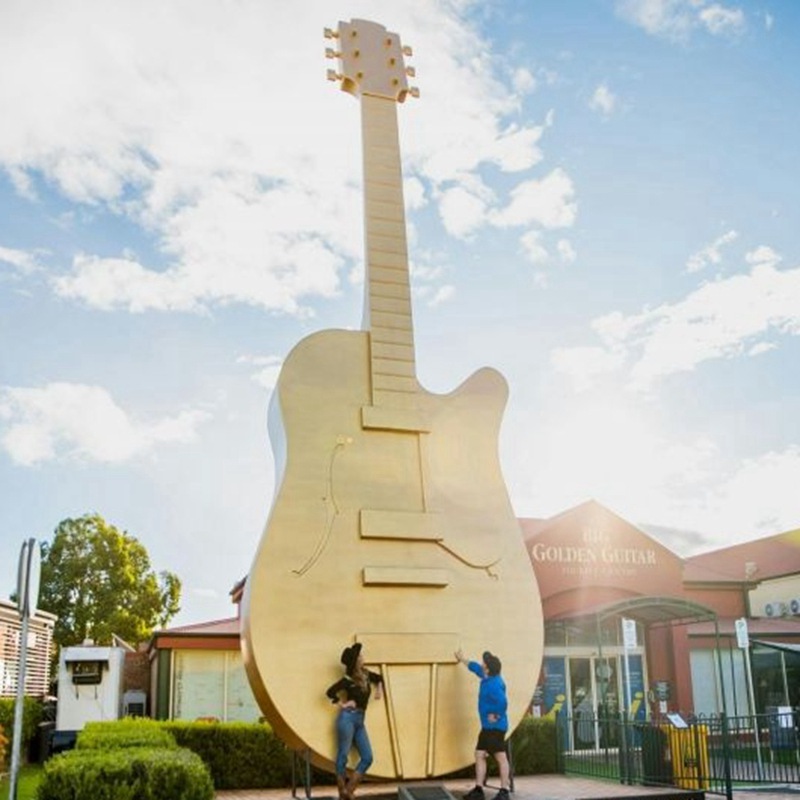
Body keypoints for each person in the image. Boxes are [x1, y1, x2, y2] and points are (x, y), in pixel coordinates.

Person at [326, 642, 383, 800]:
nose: (363, 657)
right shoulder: (347, 680)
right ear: (356, 661)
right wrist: (343, 704)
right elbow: (330, 692)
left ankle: (349, 791)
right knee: (343, 755)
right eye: (360, 656)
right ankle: (342, 791)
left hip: (360, 721)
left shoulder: (365, 675)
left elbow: (380, 678)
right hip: (348, 718)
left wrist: (379, 690)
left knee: (367, 757)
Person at [455, 648, 511, 800]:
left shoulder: (494, 684)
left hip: (496, 728)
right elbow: (474, 667)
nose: (481, 664)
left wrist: (497, 715)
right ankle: (479, 789)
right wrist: (462, 659)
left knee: (500, 757)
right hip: (487, 727)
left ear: (488, 667)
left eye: (483, 663)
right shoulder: (486, 676)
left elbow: (503, 702)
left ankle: (504, 792)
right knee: (479, 754)